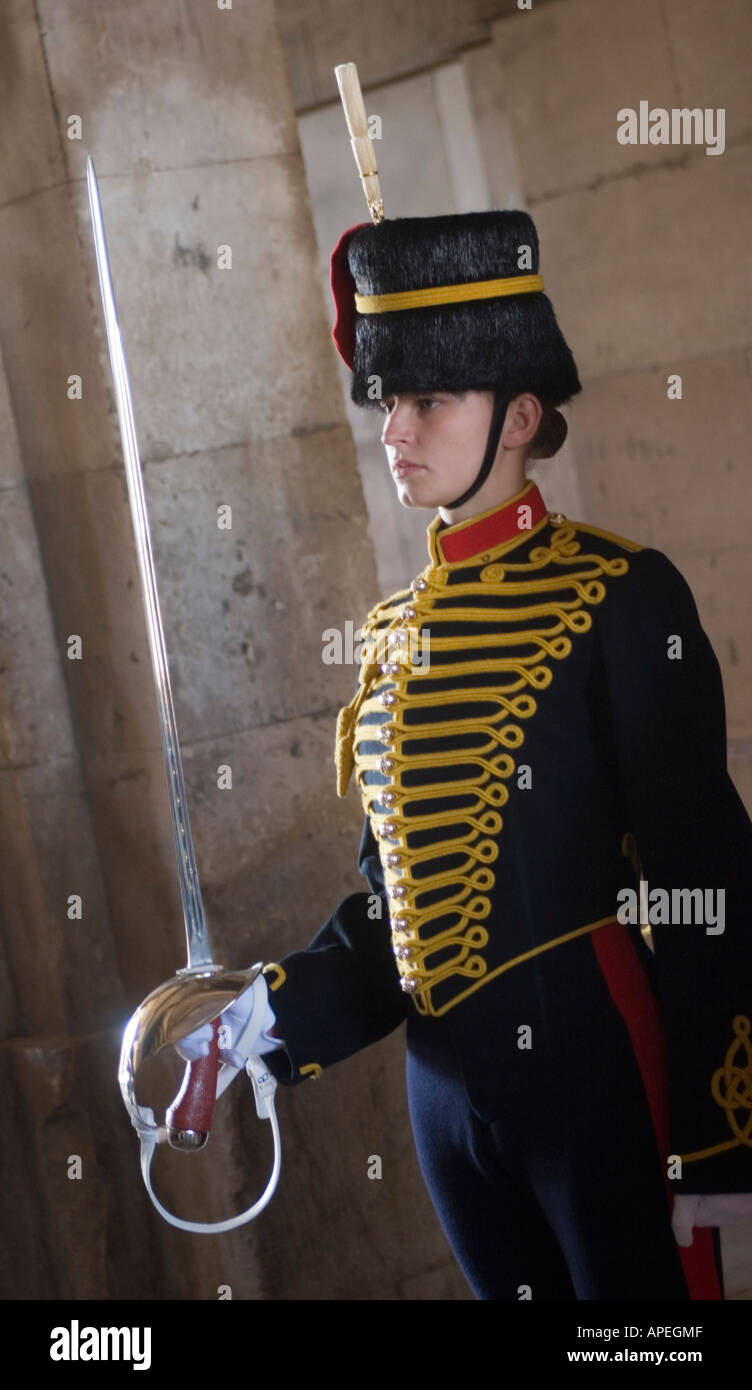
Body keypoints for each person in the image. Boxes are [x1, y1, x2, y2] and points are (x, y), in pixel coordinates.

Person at [178, 210, 752, 1300]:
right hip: (441, 1097)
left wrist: (714, 1141)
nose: (396, 427)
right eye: (388, 400)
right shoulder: (391, 633)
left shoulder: (620, 595)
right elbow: (397, 906)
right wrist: (257, 1017)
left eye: (429, 399)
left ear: (520, 412)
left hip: (593, 1064)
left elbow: (702, 872)